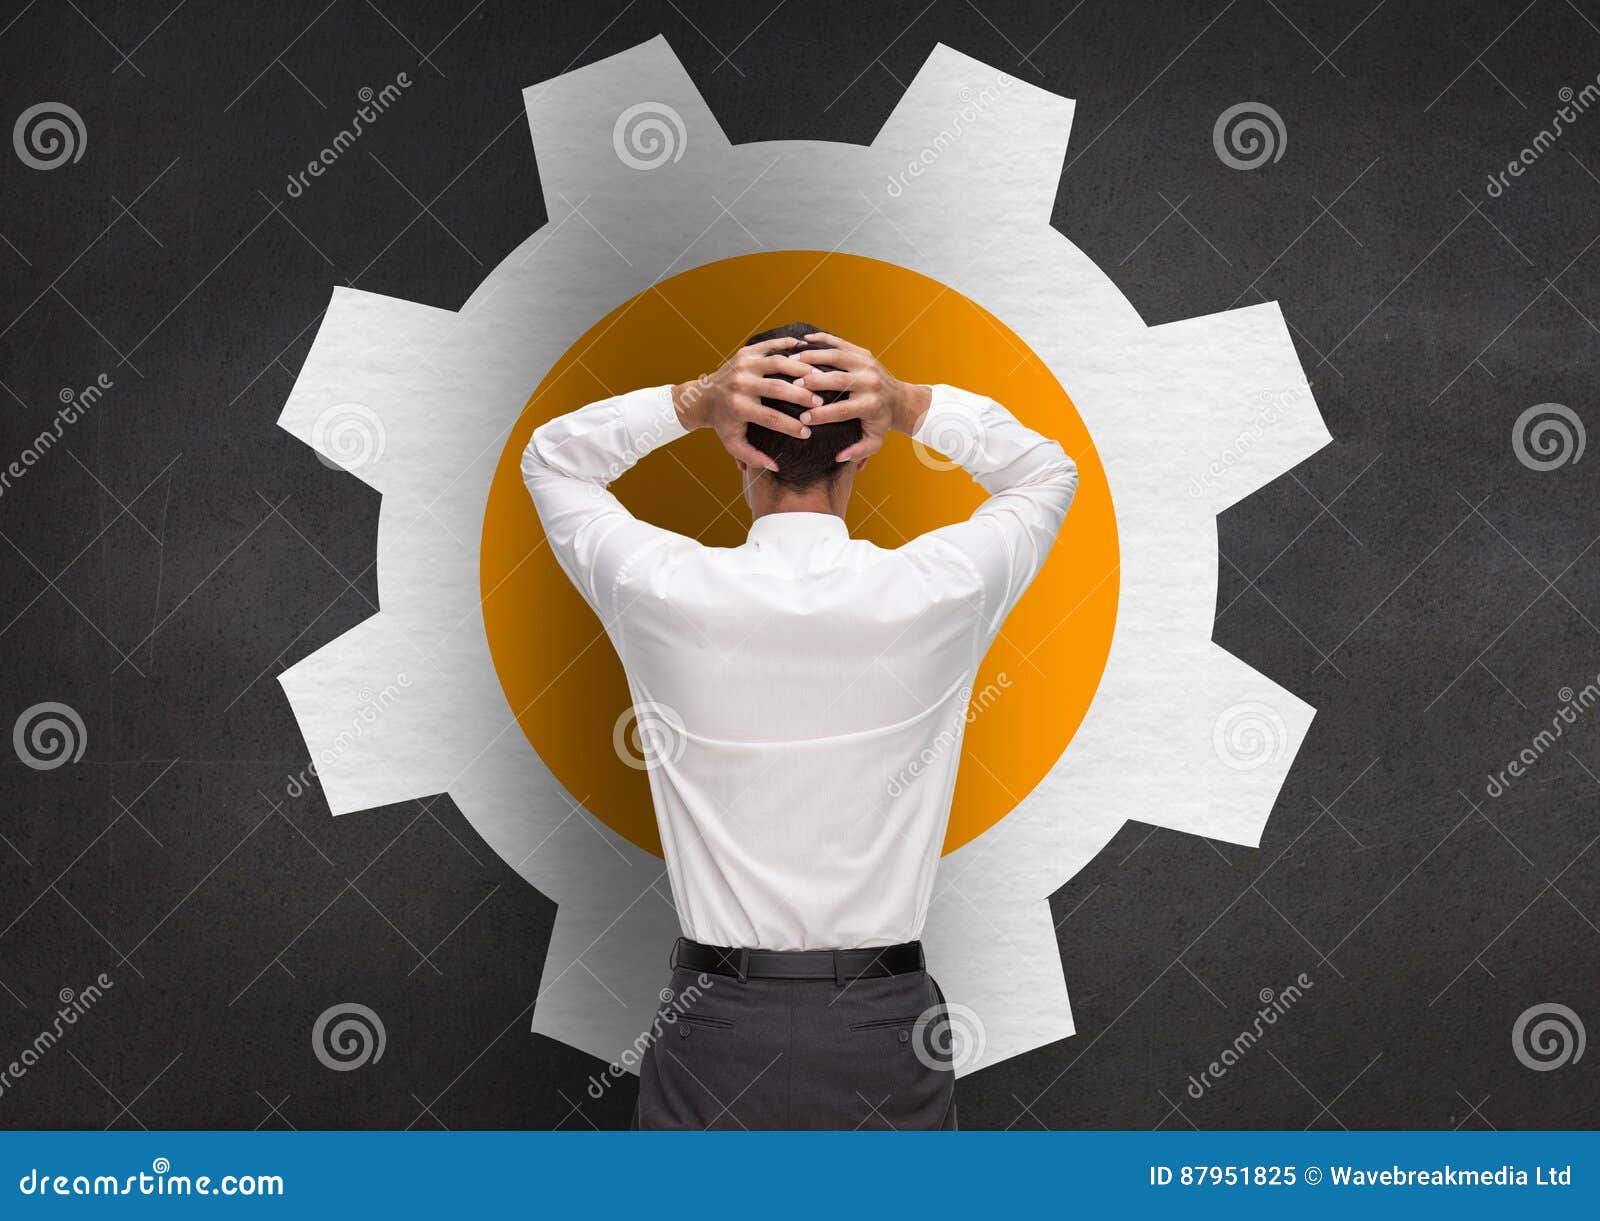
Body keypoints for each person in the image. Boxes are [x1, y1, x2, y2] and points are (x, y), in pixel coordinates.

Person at [521, 321, 1078, 1129]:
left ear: (741, 450)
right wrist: (911, 404)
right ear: (861, 449)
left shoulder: (664, 588)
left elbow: (552, 459)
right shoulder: (938, 589)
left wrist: (697, 402)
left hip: (713, 1025)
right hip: (884, 1026)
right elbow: (1044, 472)